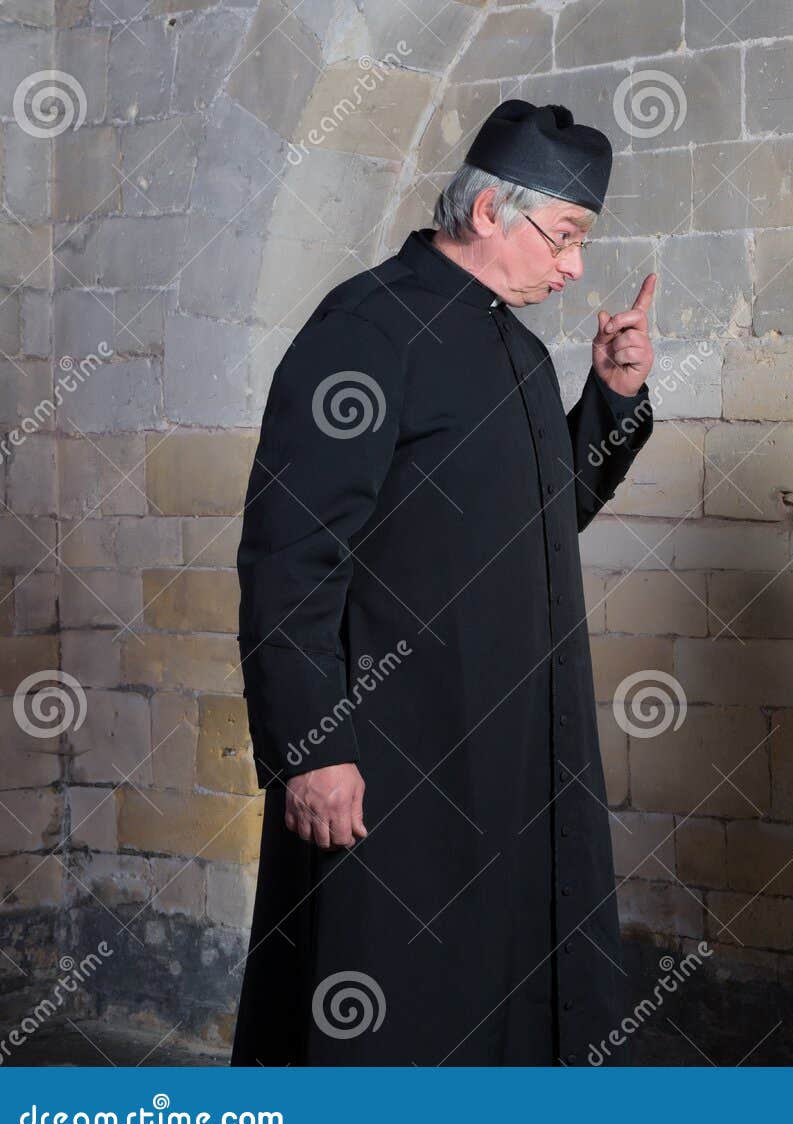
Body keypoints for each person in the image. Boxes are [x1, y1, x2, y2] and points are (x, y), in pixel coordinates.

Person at [231, 102, 655, 1065]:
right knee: (392, 1015)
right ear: (488, 213)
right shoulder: (365, 329)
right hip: (396, 761)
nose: (575, 266)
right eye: (567, 237)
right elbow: (288, 551)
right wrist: (312, 744)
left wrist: (615, 401)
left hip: (513, 756)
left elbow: (542, 519)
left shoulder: (514, 344)